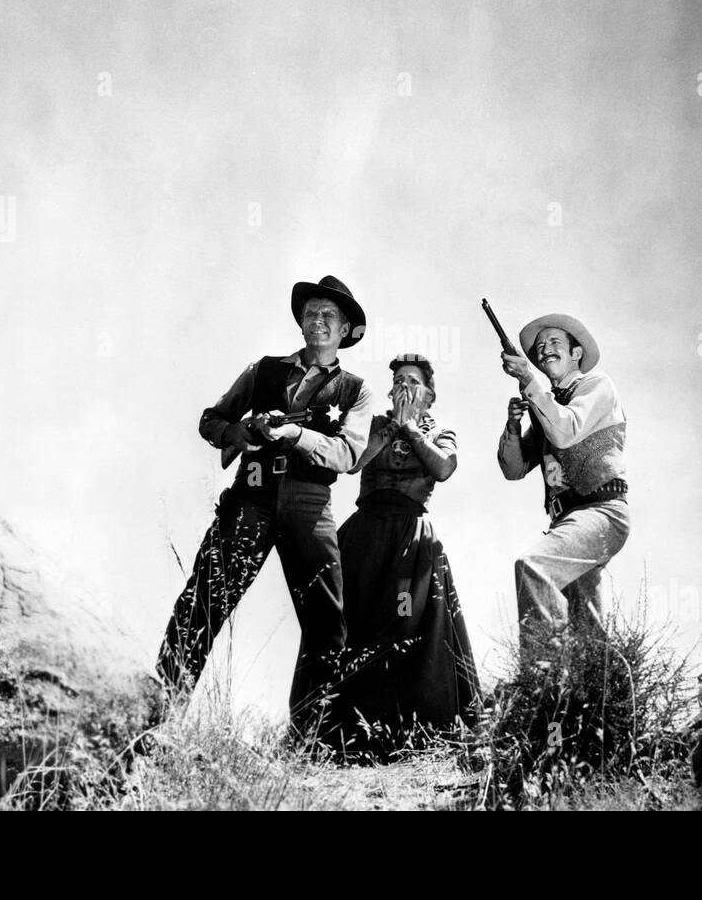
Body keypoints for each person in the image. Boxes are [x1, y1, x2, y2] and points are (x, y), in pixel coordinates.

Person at [156, 275, 375, 737]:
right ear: (300, 322)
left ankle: (316, 742)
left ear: (344, 331)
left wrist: (296, 434)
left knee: (326, 624)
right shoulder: (263, 371)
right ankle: (158, 718)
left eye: (329, 316)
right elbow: (211, 420)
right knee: (204, 602)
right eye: (311, 312)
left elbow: (349, 455)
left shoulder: (357, 390)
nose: (318, 320)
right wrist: (244, 431)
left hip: (311, 507)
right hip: (250, 498)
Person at [295, 354, 479, 753]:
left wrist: (411, 428)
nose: (404, 387)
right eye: (398, 380)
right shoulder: (375, 424)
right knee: (345, 622)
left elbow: (444, 468)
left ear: (429, 395)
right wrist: (391, 427)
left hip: (411, 537)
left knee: (407, 624)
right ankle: (336, 734)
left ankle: (406, 734)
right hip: (365, 532)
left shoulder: (440, 430)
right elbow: (353, 462)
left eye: (413, 381)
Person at [497, 313, 629, 651]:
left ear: (576, 353)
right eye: (540, 348)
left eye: (555, 342)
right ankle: (601, 693)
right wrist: (513, 429)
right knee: (590, 633)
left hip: (601, 512)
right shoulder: (548, 407)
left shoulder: (596, 386)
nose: (544, 351)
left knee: (534, 569)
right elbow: (513, 469)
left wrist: (529, 380)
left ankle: (545, 677)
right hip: (567, 521)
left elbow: (566, 430)